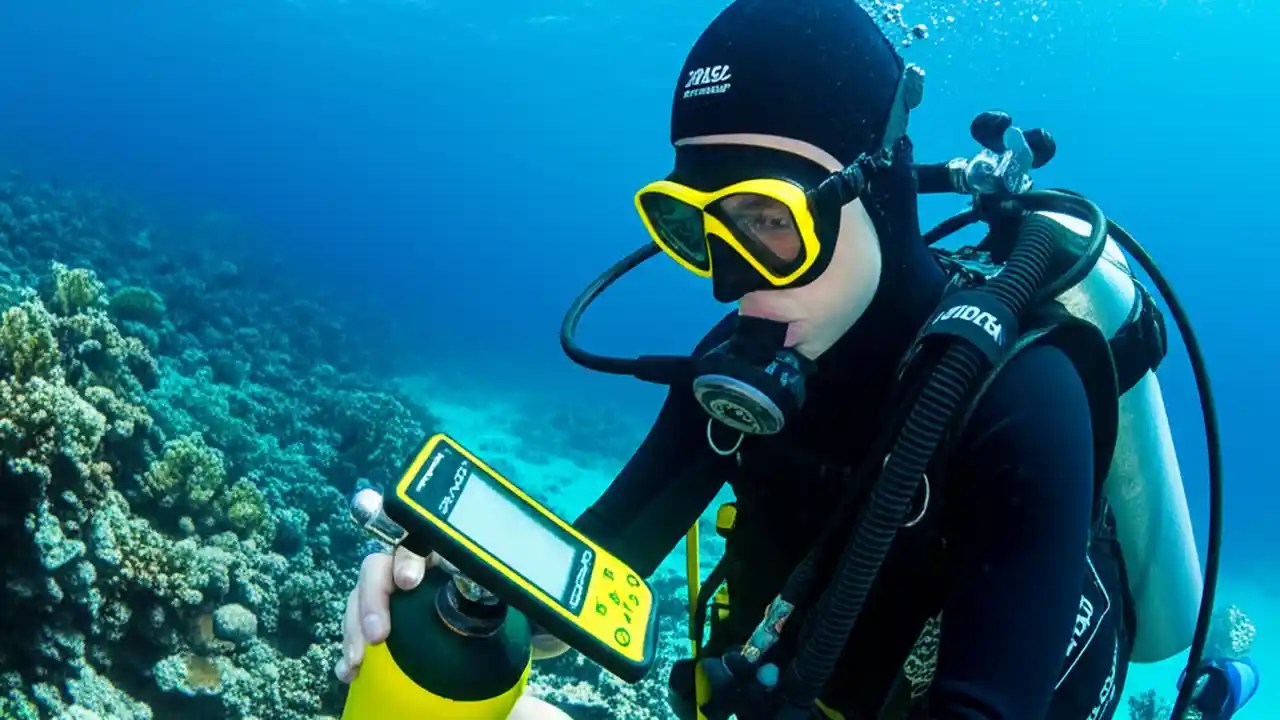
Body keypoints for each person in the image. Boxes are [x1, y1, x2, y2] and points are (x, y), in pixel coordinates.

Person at [337, 1, 1208, 718]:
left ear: (877, 184)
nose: (729, 286)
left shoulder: (1020, 396)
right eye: (697, 229)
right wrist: (457, 599)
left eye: (765, 223)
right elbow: (593, 574)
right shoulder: (739, 369)